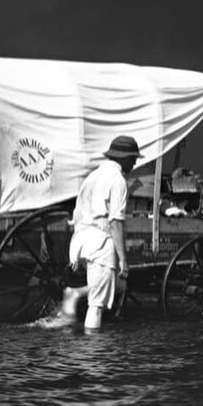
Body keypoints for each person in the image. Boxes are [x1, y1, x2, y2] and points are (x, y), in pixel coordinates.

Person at [63, 134, 141, 330]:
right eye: (133, 159)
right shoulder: (118, 181)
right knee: (96, 307)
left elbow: (77, 212)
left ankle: (76, 293)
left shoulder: (92, 176)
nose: (134, 164)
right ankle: (93, 345)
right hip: (101, 243)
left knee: (116, 286)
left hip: (80, 240)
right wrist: (123, 259)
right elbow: (116, 222)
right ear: (124, 158)